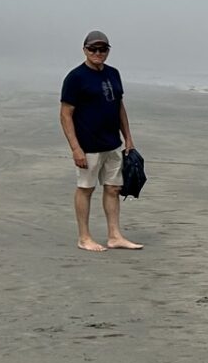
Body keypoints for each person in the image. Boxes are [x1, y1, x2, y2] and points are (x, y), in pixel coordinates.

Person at [59, 30, 144, 252]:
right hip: (88, 146)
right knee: (86, 188)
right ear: (84, 50)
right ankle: (84, 237)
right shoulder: (75, 78)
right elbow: (65, 114)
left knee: (114, 188)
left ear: (108, 51)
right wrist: (76, 148)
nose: (98, 53)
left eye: (103, 49)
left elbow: (119, 107)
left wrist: (128, 138)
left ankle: (114, 236)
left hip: (112, 144)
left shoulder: (113, 74)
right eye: (93, 49)